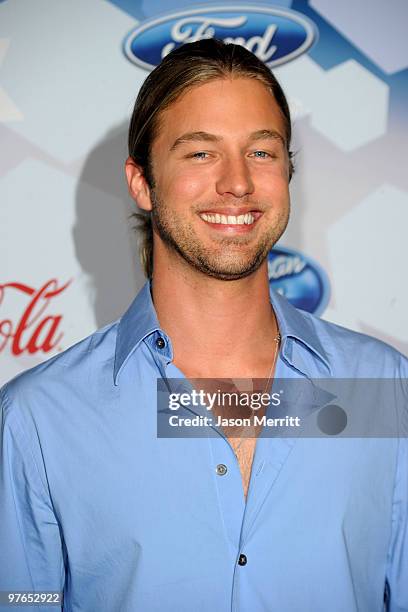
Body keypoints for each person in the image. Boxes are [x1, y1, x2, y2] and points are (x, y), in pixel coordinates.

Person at [0, 39, 407, 612]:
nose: (237, 183)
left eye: (262, 152)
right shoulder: (41, 418)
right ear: (141, 181)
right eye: (199, 153)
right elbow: (22, 600)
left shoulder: (385, 390)